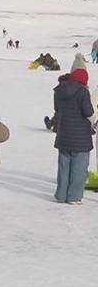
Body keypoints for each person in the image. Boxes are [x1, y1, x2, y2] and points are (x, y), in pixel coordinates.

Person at [51, 65, 93, 204]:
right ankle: (74, 196)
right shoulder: (82, 92)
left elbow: (57, 109)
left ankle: (61, 195)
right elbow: (88, 112)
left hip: (63, 135)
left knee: (64, 167)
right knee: (79, 168)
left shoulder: (59, 91)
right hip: (80, 138)